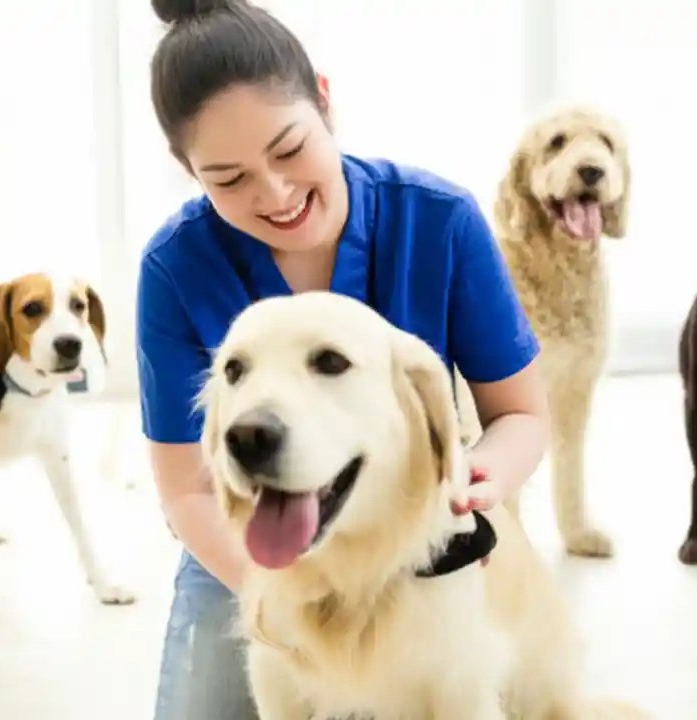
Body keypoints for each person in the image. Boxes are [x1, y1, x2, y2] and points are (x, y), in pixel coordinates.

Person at [136, 1, 551, 717]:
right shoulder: (175, 267)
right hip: (256, 544)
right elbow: (186, 490)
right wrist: (273, 592)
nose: (275, 193)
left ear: (324, 101)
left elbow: (520, 413)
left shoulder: (439, 219)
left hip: (420, 524)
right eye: (228, 179)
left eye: (290, 148)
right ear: (187, 168)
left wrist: (475, 487)